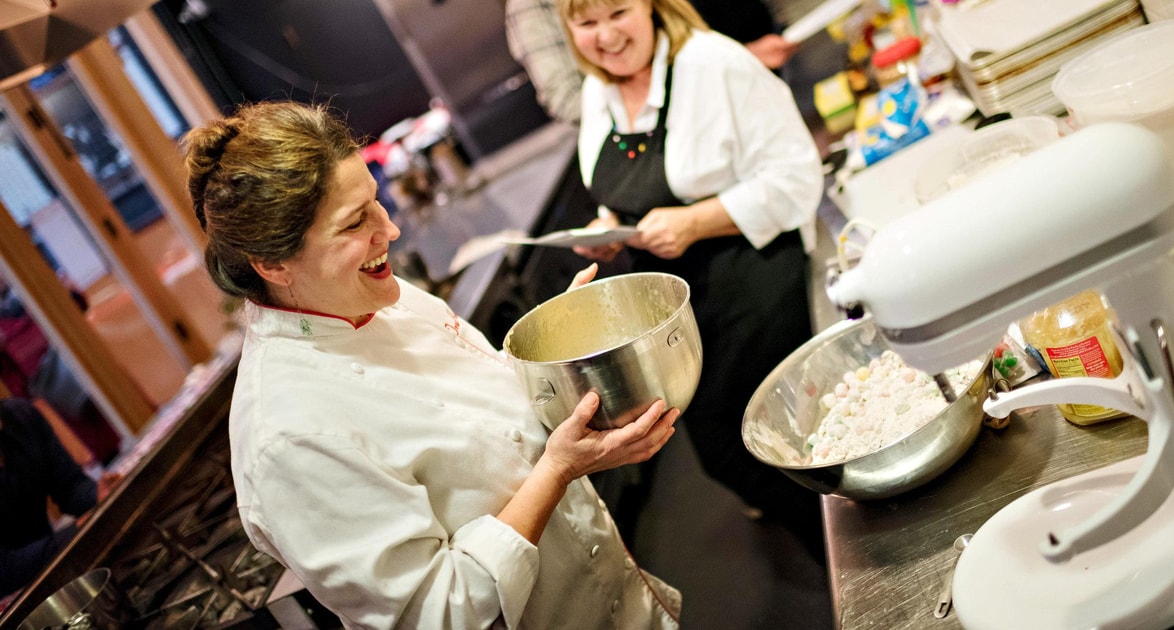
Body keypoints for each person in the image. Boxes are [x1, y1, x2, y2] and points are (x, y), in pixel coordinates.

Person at [183, 100, 683, 629]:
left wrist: (559, 347)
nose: (389, 231)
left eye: (376, 203)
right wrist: (559, 470)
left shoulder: (379, 298)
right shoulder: (288, 439)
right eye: (355, 223)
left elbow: (489, 412)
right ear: (273, 264)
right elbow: (439, 611)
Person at [558, 0, 828, 562]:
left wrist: (695, 221)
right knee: (723, 452)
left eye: (619, 13)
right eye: (586, 23)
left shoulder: (714, 65)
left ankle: (848, 548)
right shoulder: (596, 90)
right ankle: (830, 545)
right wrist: (609, 228)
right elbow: (626, 189)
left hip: (749, 281)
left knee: (785, 442)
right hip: (671, 309)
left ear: (652, 7)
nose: (605, 36)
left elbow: (797, 176)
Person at [505, 0, 797, 125]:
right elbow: (567, 99)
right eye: (588, 23)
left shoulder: (713, 58)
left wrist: (729, 63)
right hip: (651, 144)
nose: (606, 34)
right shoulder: (597, 98)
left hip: (750, 90)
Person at [0, 397, 122, 597]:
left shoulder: (19, 415)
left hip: (52, 574)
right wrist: (76, 530)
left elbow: (70, 487)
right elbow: (5, 572)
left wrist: (99, 495)